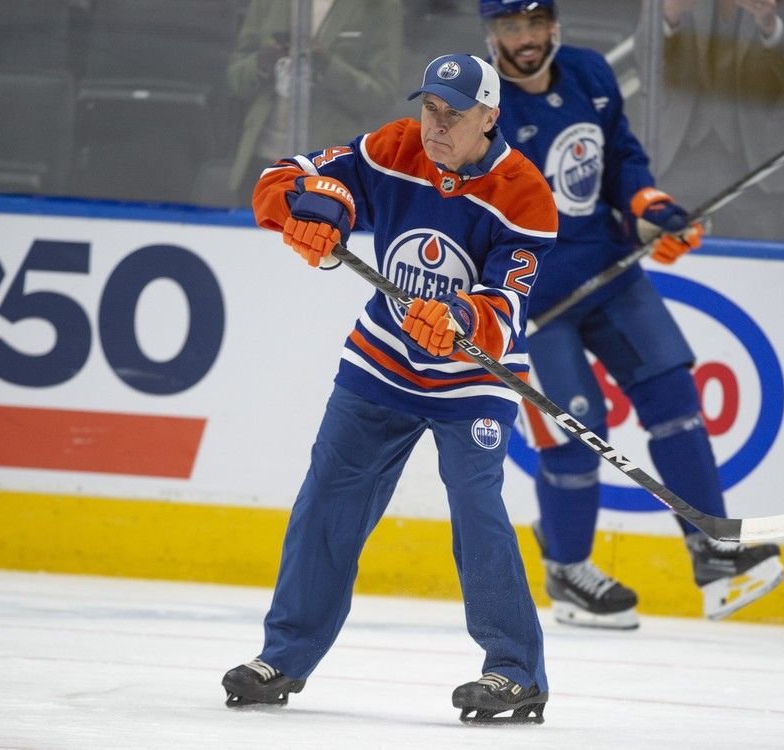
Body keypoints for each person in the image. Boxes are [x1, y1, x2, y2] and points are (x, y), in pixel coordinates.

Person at [221, 52, 557, 724]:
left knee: (476, 512)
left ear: (489, 118)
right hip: (381, 363)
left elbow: (506, 306)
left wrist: (461, 318)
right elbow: (286, 176)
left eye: (453, 115)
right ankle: (284, 656)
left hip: (471, 383)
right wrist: (305, 210)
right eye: (429, 108)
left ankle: (515, 673)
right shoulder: (394, 147)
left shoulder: (524, 193)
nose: (435, 125)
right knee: (327, 501)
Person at [478, 0, 784, 628]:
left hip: (609, 275)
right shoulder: (482, 112)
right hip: (534, 303)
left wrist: (650, 206)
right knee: (576, 432)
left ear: (553, 26)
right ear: (491, 34)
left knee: (674, 395)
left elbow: (621, 160)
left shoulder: (590, 74)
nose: (526, 39)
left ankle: (712, 550)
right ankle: (567, 569)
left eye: (535, 24)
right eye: (511, 27)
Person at [657, 0, 784, 240]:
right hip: (678, 161)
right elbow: (644, 60)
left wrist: (770, 27)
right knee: (667, 265)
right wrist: (669, 17)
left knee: (757, 270)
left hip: (758, 168)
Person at [227, 0, 403, 202]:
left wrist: (326, 66)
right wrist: (263, 61)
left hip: (328, 170)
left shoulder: (379, 5)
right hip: (260, 161)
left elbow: (381, 97)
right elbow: (233, 80)